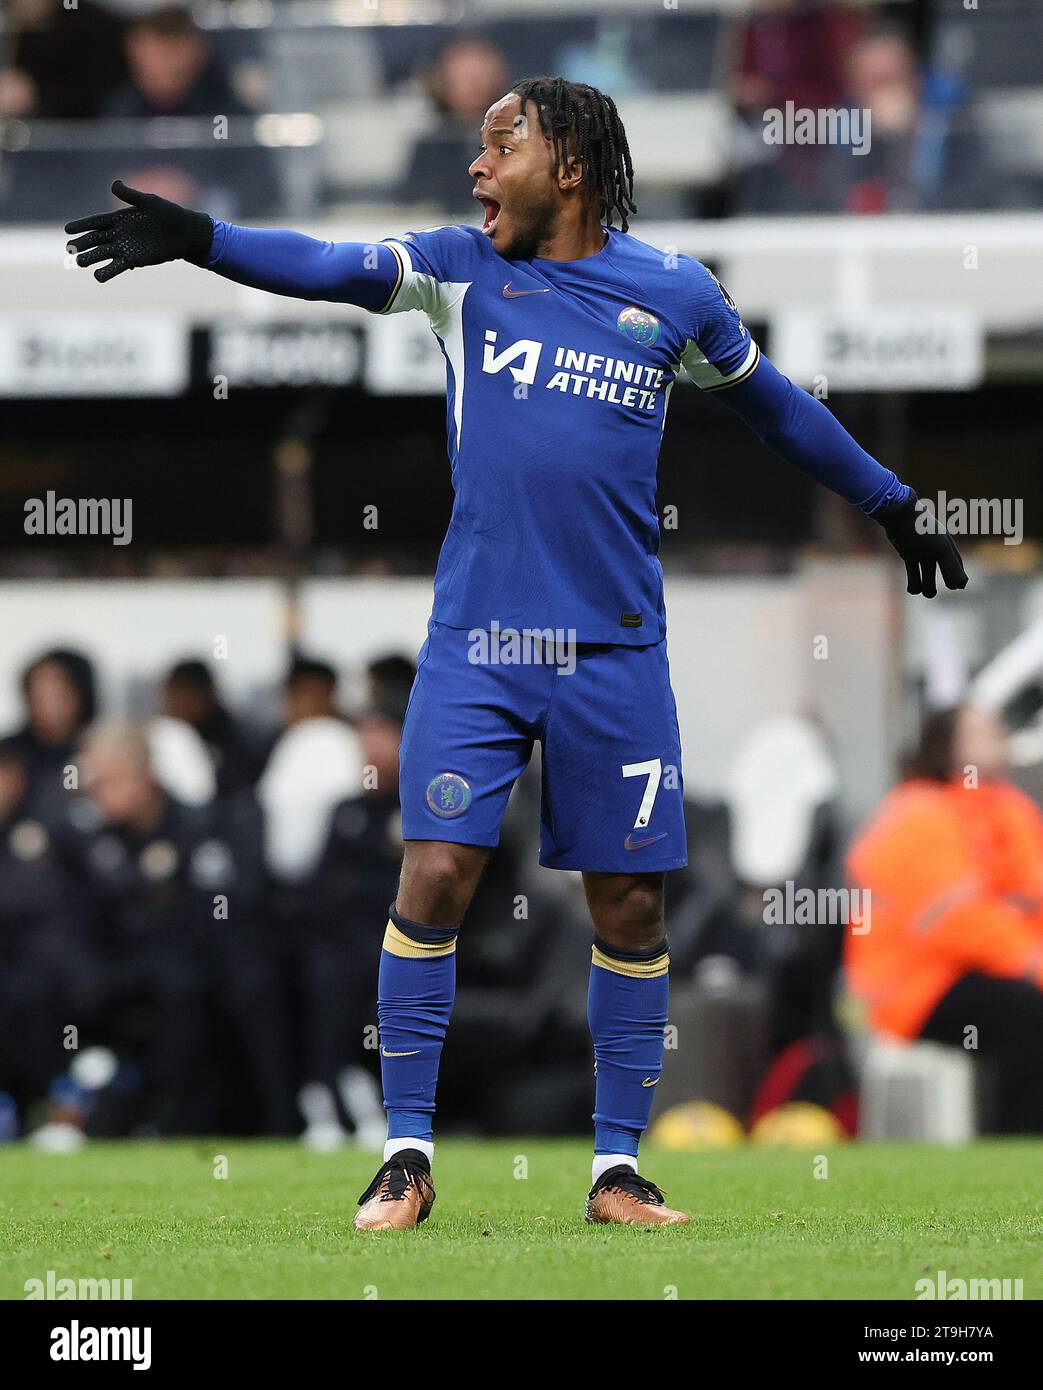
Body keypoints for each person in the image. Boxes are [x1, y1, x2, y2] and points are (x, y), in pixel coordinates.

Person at [64, 75, 967, 1229]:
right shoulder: (460, 270)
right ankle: (403, 1155)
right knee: (433, 873)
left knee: (629, 903)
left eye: (503, 144)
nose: (478, 166)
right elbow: (326, 264)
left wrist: (889, 501)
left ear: (573, 166)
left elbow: (777, 406)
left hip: (617, 652)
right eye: (478, 147)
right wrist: (202, 241)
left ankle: (616, 1171)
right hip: (479, 644)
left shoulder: (672, 292)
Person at [846, 704, 1043, 1133]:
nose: (998, 733)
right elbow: (957, 921)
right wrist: (1033, 964)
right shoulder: (918, 813)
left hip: (983, 973)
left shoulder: (1011, 810)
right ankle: (1021, 1146)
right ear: (945, 744)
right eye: (980, 729)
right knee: (1026, 1013)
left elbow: (1031, 901)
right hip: (915, 987)